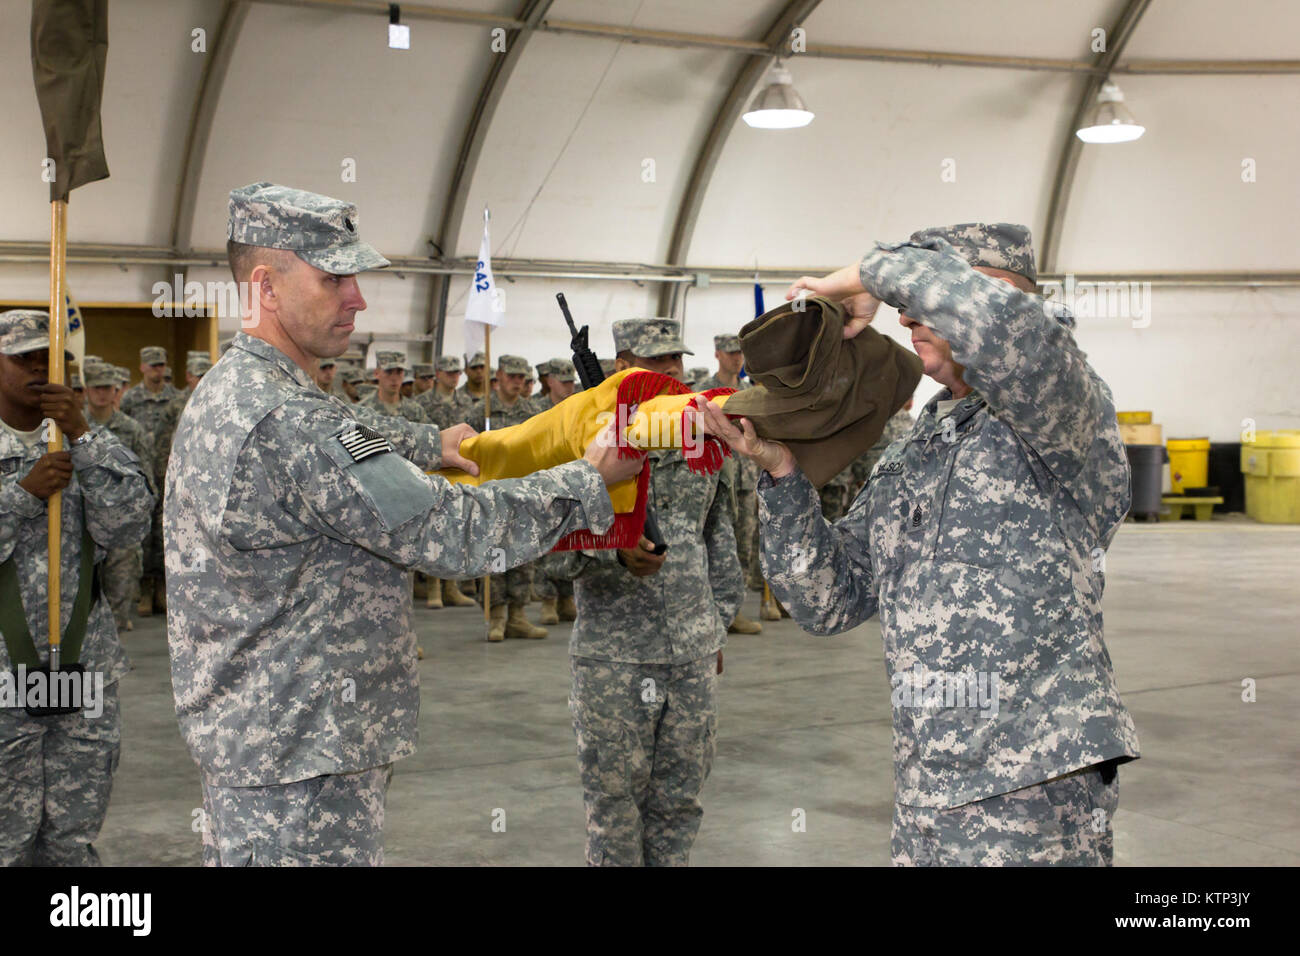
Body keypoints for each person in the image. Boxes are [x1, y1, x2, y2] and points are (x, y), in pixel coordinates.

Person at [166, 182, 640, 866]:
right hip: (302, 760)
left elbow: (344, 434)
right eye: (334, 279)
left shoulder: (241, 388)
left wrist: (427, 444)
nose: (357, 298)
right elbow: (453, 530)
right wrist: (589, 481)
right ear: (266, 287)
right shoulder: (289, 419)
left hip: (265, 739)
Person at [697, 222, 1139, 866]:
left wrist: (866, 276)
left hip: (1032, 787)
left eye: (923, 295)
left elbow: (1011, 332)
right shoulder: (923, 444)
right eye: (905, 300)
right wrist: (783, 474)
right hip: (926, 787)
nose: (905, 316)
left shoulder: (1061, 404)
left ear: (996, 293)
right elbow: (828, 601)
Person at [549, 317, 743, 866]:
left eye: (677, 359)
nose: (673, 371)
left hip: (692, 655)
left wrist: (716, 625)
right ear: (623, 367)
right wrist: (611, 551)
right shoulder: (584, 445)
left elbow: (719, 540)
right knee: (614, 806)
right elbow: (550, 559)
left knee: (680, 802)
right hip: (615, 658)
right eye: (659, 361)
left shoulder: (699, 438)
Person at [0, 310, 153, 865]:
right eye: (24, 358)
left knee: (72, 838)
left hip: (83, 669)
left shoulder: (90, 443)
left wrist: (83, 434)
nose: (40, 369)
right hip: (4, 677)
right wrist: (22, 494)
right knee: (6, 840)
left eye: (52, 359)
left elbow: (130, 525)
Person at [466, 354, 549, 640]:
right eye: (511, 376)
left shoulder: (533, 411)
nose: (516, 382)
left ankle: (517, 615)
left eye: (521, 377)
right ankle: (496, 616)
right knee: (494, 556)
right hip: (491, 494)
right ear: (498, 376)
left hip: (525, 493)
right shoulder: (481, 411)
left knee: (524, 554)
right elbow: (466, 450)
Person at [83, 362, 156, 633]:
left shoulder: (131, 428)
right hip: (82, 524)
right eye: (96, 388)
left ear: (116, 391)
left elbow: (146, 477)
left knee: (119, 592)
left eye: (107, 388)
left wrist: (139, 513)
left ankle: (115, 639)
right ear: (87, 390)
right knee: (82, 600)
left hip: (120, 524)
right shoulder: (74, 427)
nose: (102, 393)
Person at [697, 334, 762, 635]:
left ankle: (734, 609)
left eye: (740, 353)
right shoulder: (702, 392)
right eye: (731, 352)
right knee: (711, 545)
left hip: (746, 480)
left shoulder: (751, 392)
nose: (737, 358)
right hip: (713, 479)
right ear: (717, 354)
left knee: (743, 545)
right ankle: (706, 608)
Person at [120, 345, 180, 617]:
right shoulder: (131, 399)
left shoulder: (176, 398)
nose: (157, 370)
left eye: (161, 365)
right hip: (141, 474)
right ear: (142, 367)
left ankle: (163, 587)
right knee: (144, 533)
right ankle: (144, 587)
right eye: (153, 365)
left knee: (165, 531)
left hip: (169, 473)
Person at [358, 351, 429, 423]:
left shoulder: (415, 411)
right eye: (388, 372)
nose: (394, 378)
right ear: (376, 373)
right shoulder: (362, 410)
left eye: (399, 372)